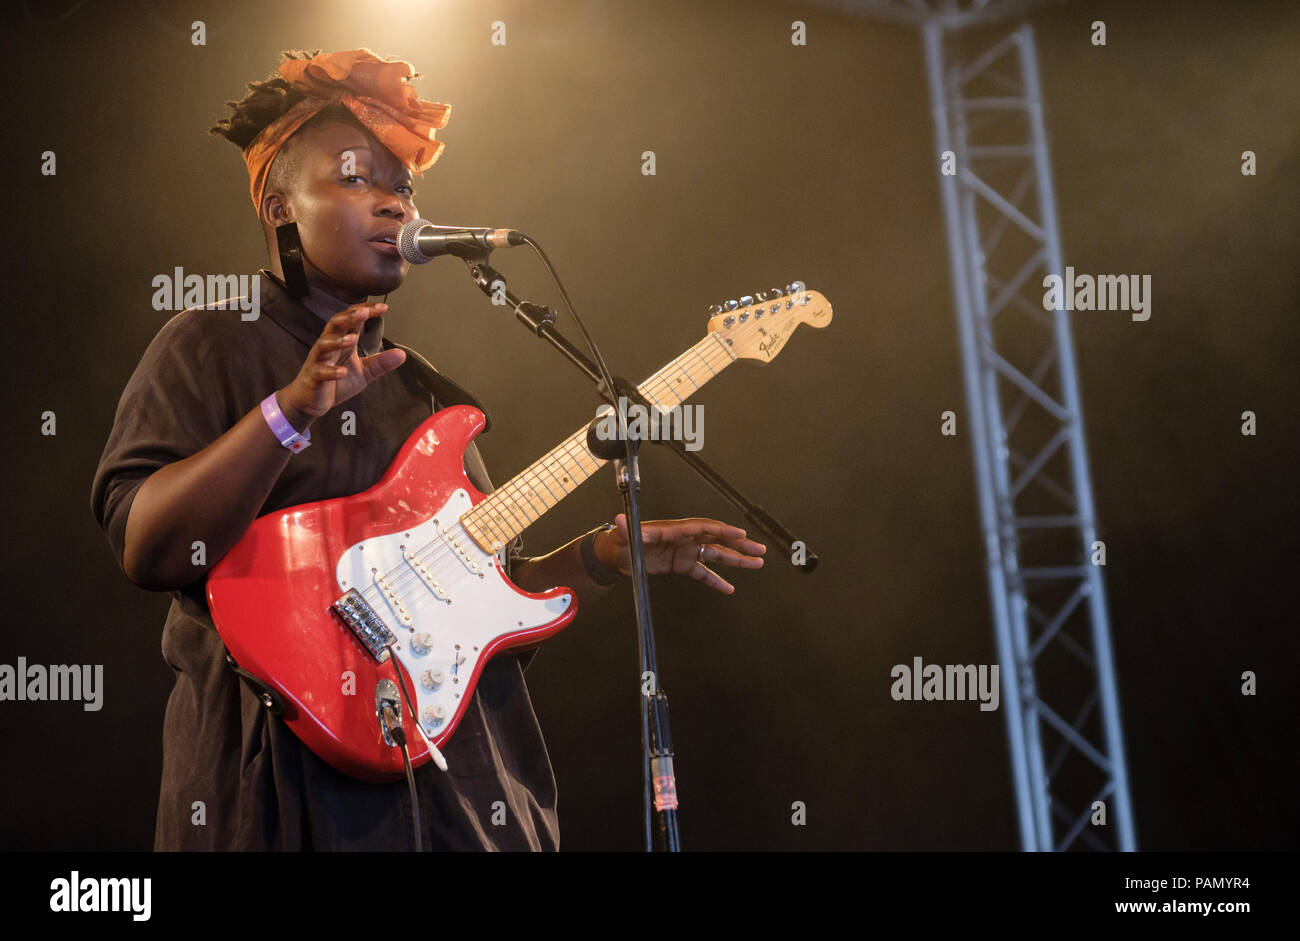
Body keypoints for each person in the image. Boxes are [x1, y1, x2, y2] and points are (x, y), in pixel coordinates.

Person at [89, 48, 766, 851]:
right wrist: (290, 411)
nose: (393, 203)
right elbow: (147, 543)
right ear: (279, 208)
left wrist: (600, 557)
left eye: (403, 186)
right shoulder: (208, 344)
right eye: (356, 179)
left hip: (466, 797)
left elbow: (479, 600)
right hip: (283, 794)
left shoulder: (434, 396)